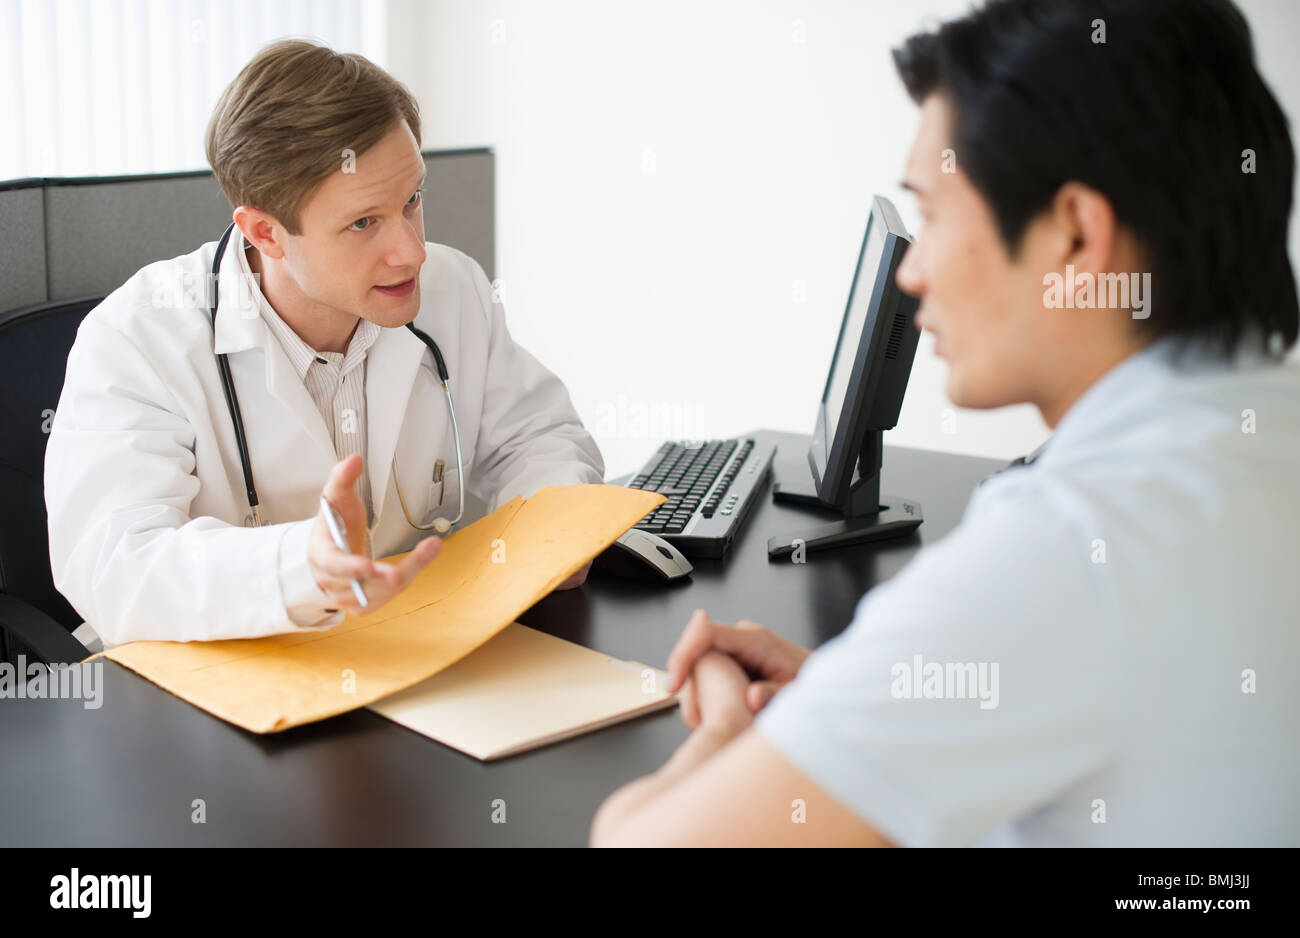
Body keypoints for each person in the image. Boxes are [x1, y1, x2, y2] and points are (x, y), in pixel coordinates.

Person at [591, 0, 1300, 847]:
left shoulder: (1067, 546)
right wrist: (861, 702)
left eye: (928, 215)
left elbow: (637, 842)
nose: (912, 272)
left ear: (1075, 237)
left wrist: (733, 733)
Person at [45, 41, 603, 649]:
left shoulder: (452, 286)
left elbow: (538, 437)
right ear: (266, 232)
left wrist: (551, 535)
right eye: (364, 223)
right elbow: (114, 565)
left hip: (398, 657)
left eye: (412, 199)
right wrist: (299, 568)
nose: (412, 250)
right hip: (201, 689)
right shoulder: (138, 337)